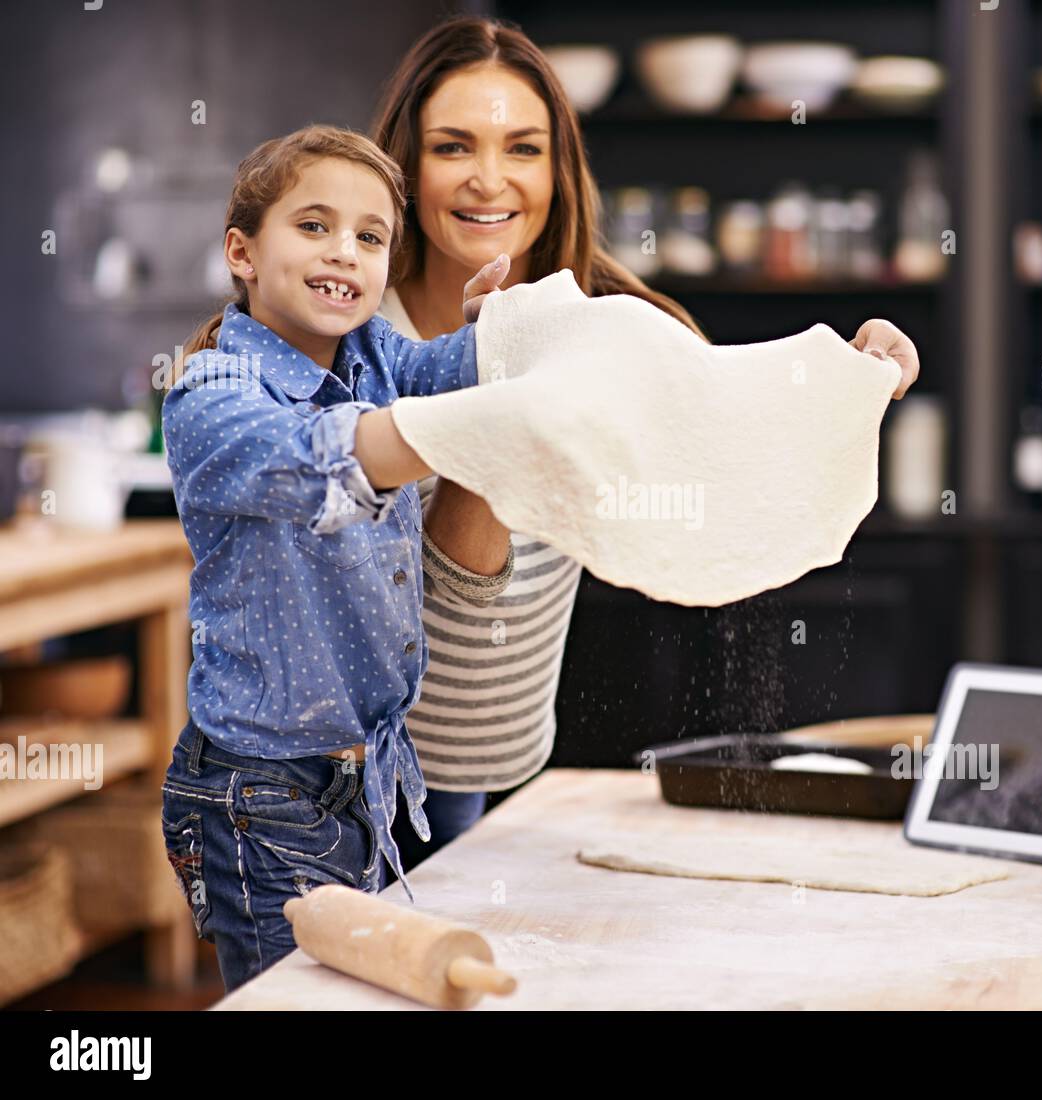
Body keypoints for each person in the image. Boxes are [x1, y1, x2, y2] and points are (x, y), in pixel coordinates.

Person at [370, 16, 923, 871]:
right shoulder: (361, 340)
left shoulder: (610, 327)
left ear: (560, 170)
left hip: (494, 761)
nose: (489, 180)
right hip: (347, 773)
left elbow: (721, 440)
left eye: (523, 148)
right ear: (403, 166)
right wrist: (490, 404)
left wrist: (846, 385)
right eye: (452, 147)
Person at [158, 123, 512, 991]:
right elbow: (337, 456)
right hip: (255, 796)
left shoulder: (373, 355)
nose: (344, 253)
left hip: (355, 784)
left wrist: (504, 334)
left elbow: (454, 372)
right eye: (313, 226)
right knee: (293, 1003)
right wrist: (491, 410)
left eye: (370, 236)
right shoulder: (210, 395)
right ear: (242, 252)